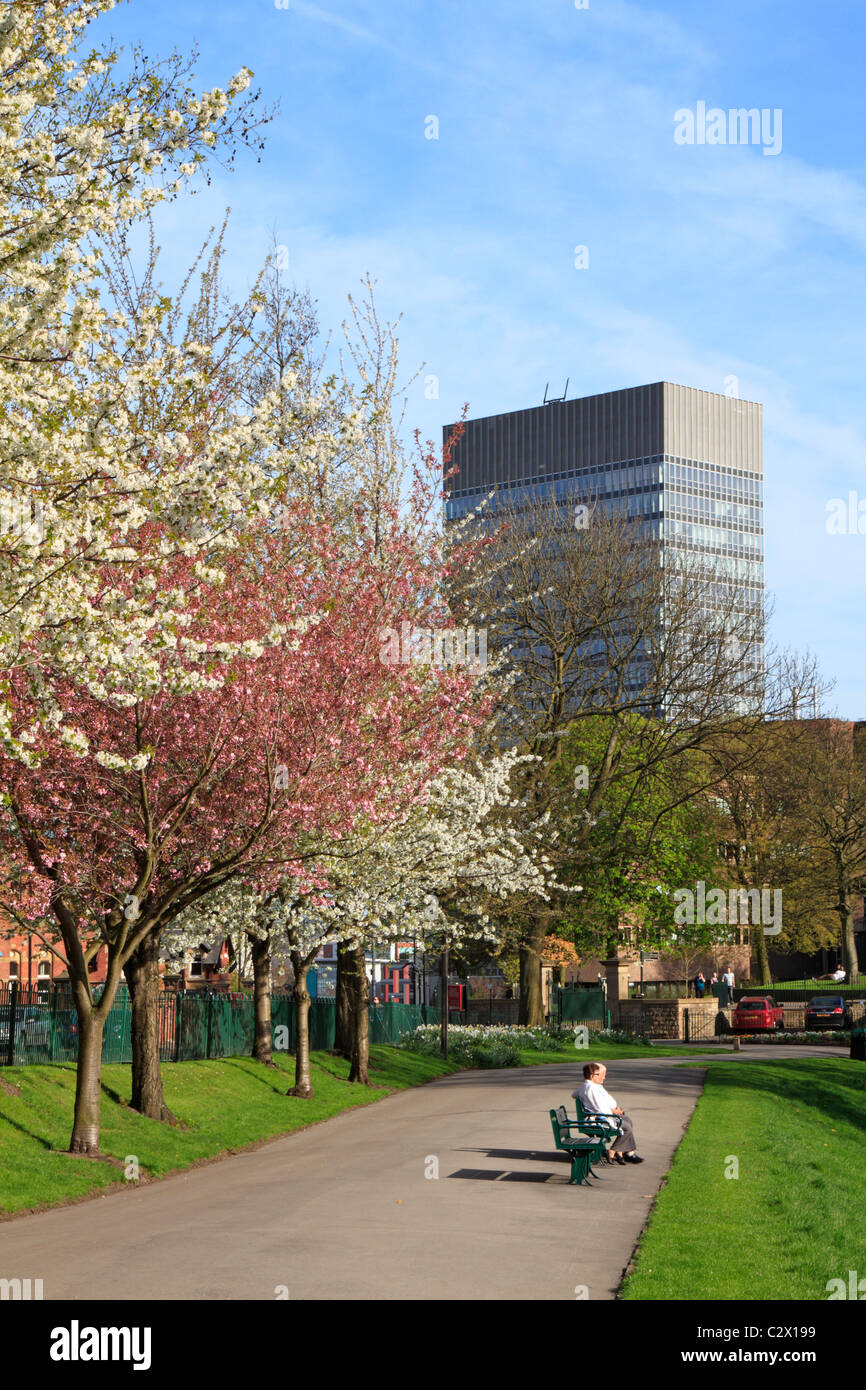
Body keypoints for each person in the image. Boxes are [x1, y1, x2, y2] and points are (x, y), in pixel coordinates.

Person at [572, 1061, 644, 1165]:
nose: (603, 1077)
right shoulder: (591, 1088)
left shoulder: (587, 1086)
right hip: (599, 1121)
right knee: (627, 1128)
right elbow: (601, 1110)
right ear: (592, 1076)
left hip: (599, 1117)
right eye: (599, 1074)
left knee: (627, 1120)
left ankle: (621, 1152)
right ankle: (613, 1151)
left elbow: (574, 1094)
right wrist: (615, 1112)